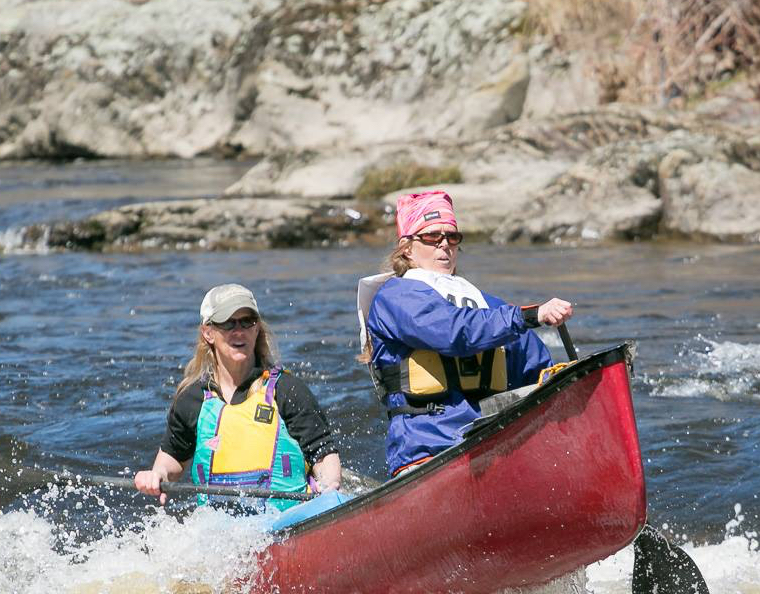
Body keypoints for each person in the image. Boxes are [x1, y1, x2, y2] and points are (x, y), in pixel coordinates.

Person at [358, 189, 574, 476]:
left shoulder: (488, 306)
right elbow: (451, 331)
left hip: (488, 443)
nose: (444, 245)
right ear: (407, 248)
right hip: (426, 451)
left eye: (452, 237)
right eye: (432, 237)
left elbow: (537, 370)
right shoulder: (395, 298)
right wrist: (531, 315)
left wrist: (574, 382)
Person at [135, 283, 341, 511]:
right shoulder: (192, 400)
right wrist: (156, 475)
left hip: (287, 520)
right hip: (221, 531)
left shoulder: (288, 390)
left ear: (257, 329)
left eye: (247, 322)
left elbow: (323, 455)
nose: (239, 331)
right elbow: (172, 459)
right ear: (208, 333)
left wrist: (330, 486)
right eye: (228, 323)